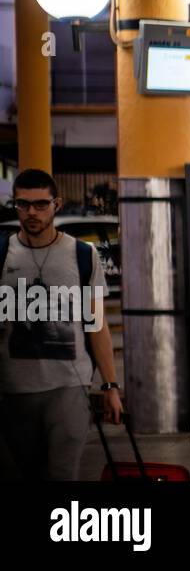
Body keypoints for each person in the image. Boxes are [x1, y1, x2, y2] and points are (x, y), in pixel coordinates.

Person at [0, 169, 122, 480]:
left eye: (41, 204)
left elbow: (96, 324)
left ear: (57, 203)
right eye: (23, 204)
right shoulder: (2, 255)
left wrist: (109, 385)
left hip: (71, 387)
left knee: (63, 473)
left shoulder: (83, 255)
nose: (31, 212)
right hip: (14, 390)